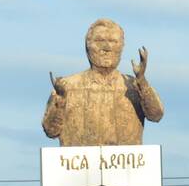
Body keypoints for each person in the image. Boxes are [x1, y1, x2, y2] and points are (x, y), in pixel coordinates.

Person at [42, 18, 164, 146]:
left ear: (121, 47)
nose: (107, 48)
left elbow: (156, 115)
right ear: (87, 45)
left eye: (113, 41)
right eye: (99, 41)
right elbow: (50, 130)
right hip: (79, 164)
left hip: (126, 164)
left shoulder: (134, 85)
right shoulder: (67, 86)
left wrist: (142, 82)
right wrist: (60, 102)